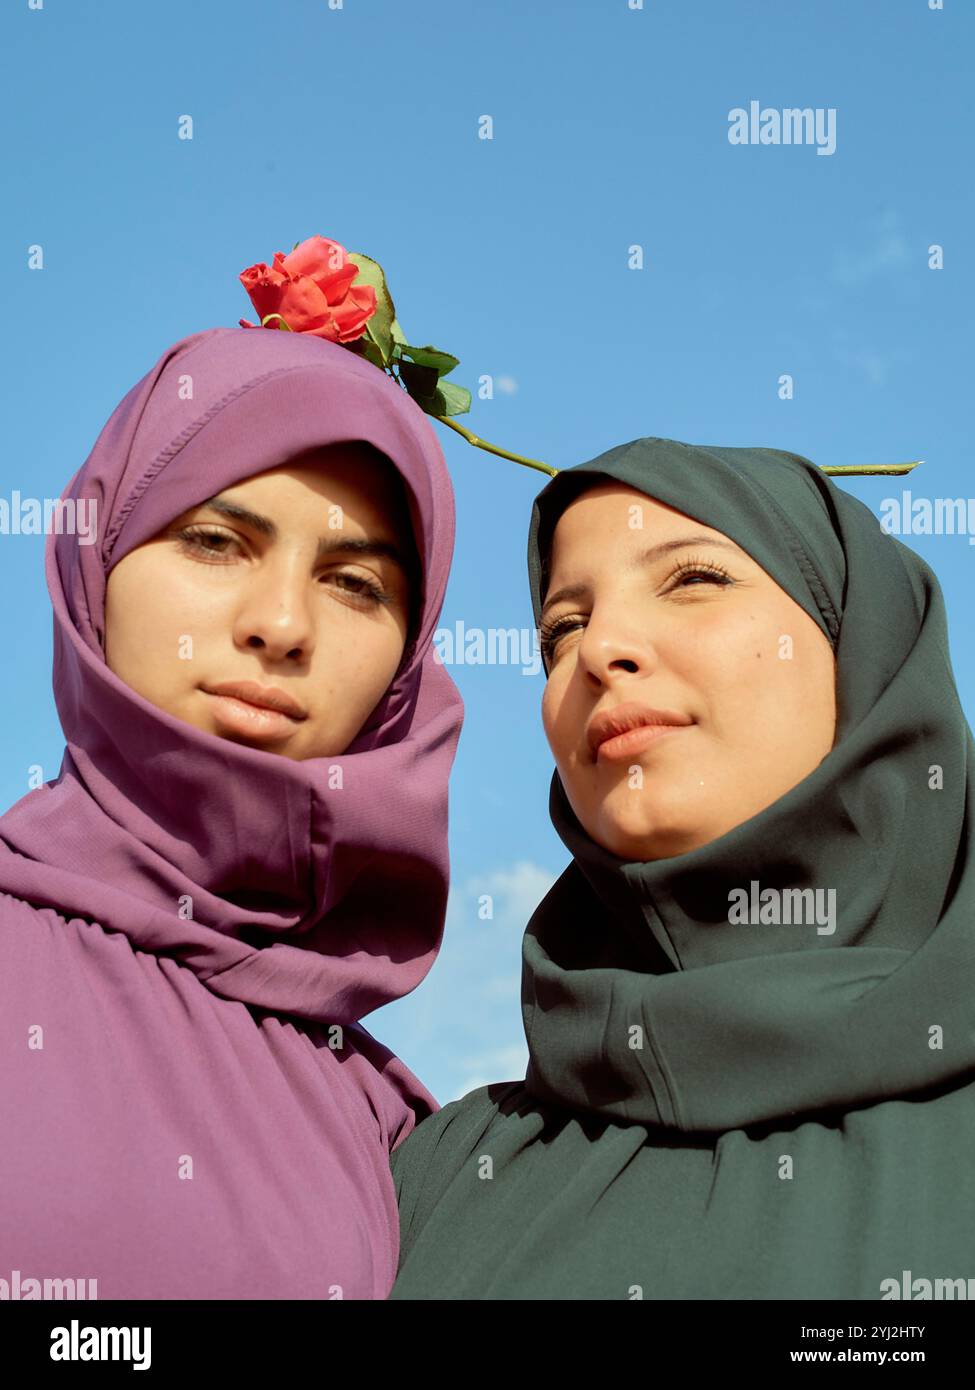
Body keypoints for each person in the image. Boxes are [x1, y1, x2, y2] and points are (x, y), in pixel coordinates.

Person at [389, 435, 975, 1301]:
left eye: (692, 579)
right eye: (561, 627)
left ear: (865, 643)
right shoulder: (434, 1178)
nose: (599, 651)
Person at [0, 324, 463, 1299]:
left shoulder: (389, 1124)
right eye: (214, 541)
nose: (281, 624)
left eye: (355, 582)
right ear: (97, 557)